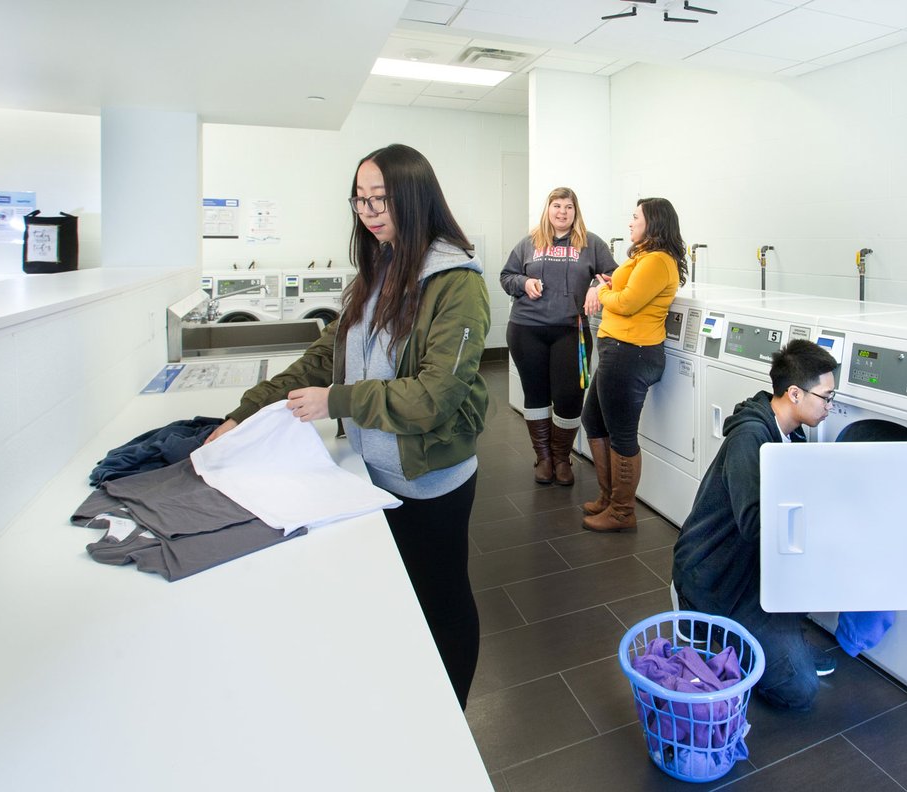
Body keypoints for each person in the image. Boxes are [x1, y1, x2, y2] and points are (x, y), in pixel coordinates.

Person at [205, 144, 490, 710]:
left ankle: (451, 713)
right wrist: (246, 411)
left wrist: (336, 401)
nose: (368, 210)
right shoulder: (380, 268)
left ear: (415, 196)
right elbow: (324, 353)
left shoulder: (458, 284)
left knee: (442, 597)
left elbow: (434, 397)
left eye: (381, 198)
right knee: (398, 594)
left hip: (430, 480)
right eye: (360, 199)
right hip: (372, 471)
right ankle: (413, 696)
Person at [672, 339, 840, 711]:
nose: (831, 406)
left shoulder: (791, 434)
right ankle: (701, 623)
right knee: (799, 690)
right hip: (716, 575)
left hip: (753, 569)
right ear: (795, 393)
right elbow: (755, 523)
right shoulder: (750, 437)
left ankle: (772, 638)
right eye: (826, 397)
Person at [580, 197, 687, 532]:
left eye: (635, 217)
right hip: (619, 351)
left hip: (632, 353)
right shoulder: (644, 257)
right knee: (593, 420)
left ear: (652, 223)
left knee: (621, 435)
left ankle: (622, 512)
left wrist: (603, 294)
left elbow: (626, 304)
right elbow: (626, 292)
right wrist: (608, 285)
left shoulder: (657, 261)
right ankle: (609, 498)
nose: (630, 222)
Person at [499, 187, 616, 486]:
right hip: (527, 329)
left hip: (571, 331)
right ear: (547, 209)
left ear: (575, 212)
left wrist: (596, 286)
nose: (562, 212)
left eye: (568, 207)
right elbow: (506, 276)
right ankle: (544, 458)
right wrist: (524, 283)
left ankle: (562, 457)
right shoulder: (529, 242)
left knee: (569, 396)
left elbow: (615, 277)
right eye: (556, 206)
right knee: (536, 393)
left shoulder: (591, 244)